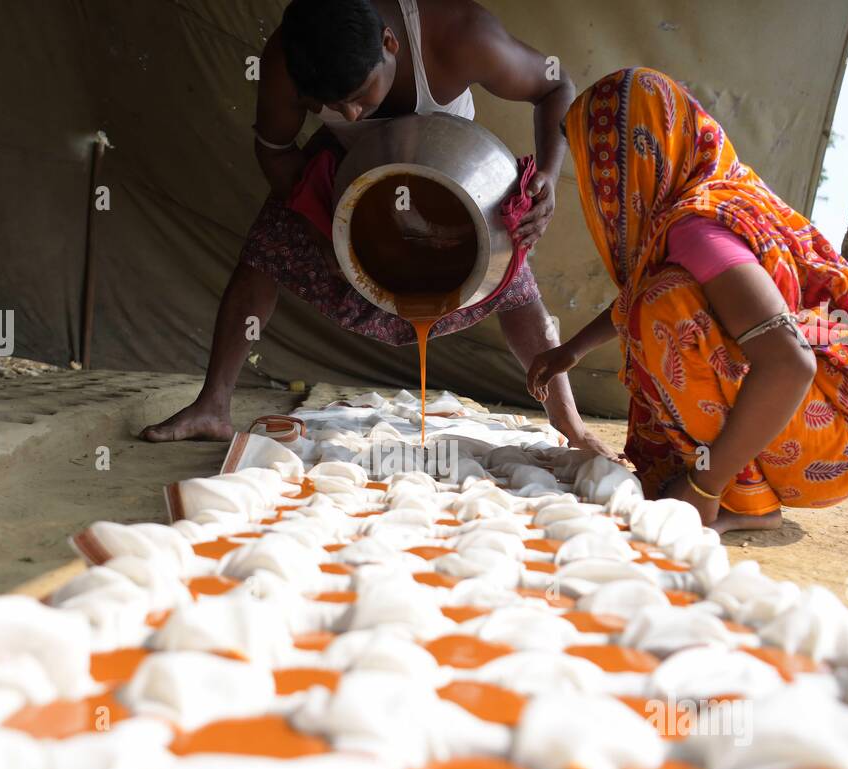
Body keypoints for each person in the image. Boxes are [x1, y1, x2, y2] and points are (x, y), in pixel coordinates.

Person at [142, 0, 613, 456]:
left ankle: (568, 422)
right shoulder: (291, 57)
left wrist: (548, 176)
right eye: (329, 104)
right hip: (347, 171)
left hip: (453, 173)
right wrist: (319, 225)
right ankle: (213, 405)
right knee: (266, 249)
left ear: (390, 43)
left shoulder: (462, 34)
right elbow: (275, 148)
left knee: (516, 286)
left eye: (359, 95)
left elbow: (555, 87)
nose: (349, 114)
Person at [527, 68, 848, 533]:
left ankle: (735, 498)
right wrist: (571, 350)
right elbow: (639, 296)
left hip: (831, 439)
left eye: (599, 166)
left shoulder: (695, 227)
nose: (599, 188)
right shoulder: (708, 202)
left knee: (664, 307)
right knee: (658, 300)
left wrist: (702, 488)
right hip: (832, 418)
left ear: (632, 158)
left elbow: (791, 362)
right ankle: (727, 482)